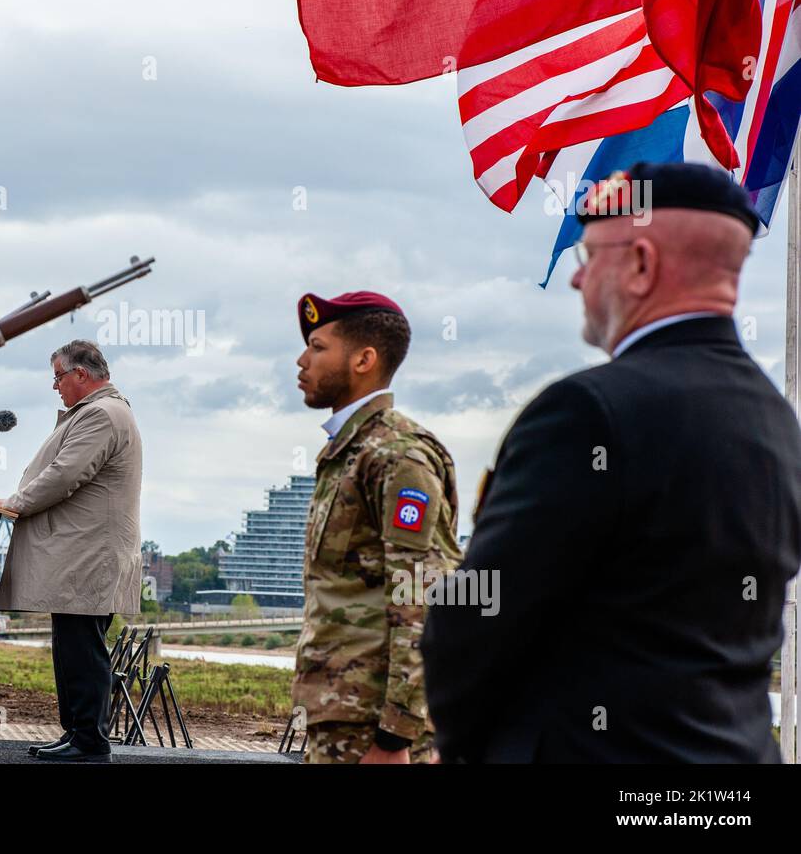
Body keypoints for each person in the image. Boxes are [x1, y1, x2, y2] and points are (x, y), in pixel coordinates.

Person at [421, 162, 801, 763]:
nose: (578, 283)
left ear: (642, 264)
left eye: (589, 257)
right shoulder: (774, 419)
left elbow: (477, 614)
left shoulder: (587, 411)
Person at [291, 291, 462, 764]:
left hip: (373, 733)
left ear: (364, 359)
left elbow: (422, 598)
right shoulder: (350, 450)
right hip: (341, 719)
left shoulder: (396, 454)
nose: (302, 360)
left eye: (318, 347)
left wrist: (395, 738)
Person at [0, 339, 143, 763]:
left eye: (58, 376)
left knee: (82, 649)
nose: (55, 387)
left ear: (80, 374)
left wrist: (13, 503)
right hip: (82, 556)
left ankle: (90, 742)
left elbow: (64, 475)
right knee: (73, 647)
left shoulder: (102, 415)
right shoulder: (104, 412)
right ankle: (77, 733)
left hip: (87, 557)